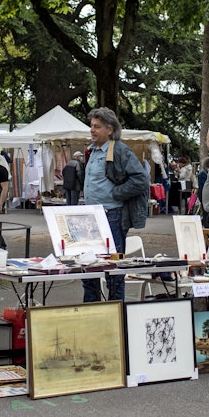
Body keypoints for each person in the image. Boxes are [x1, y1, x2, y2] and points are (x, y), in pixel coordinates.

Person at [81, 107, 149, 302]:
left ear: (110, 130)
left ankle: (116, 311)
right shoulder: (92, 150)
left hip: (112, 216)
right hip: (91, 218)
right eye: (91, 126)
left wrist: (116, 193)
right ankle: (92, 310)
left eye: (97, 127)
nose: (92, 130)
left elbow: (141, 180)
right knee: (89, 267)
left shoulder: (119, 150)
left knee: (114, 270)